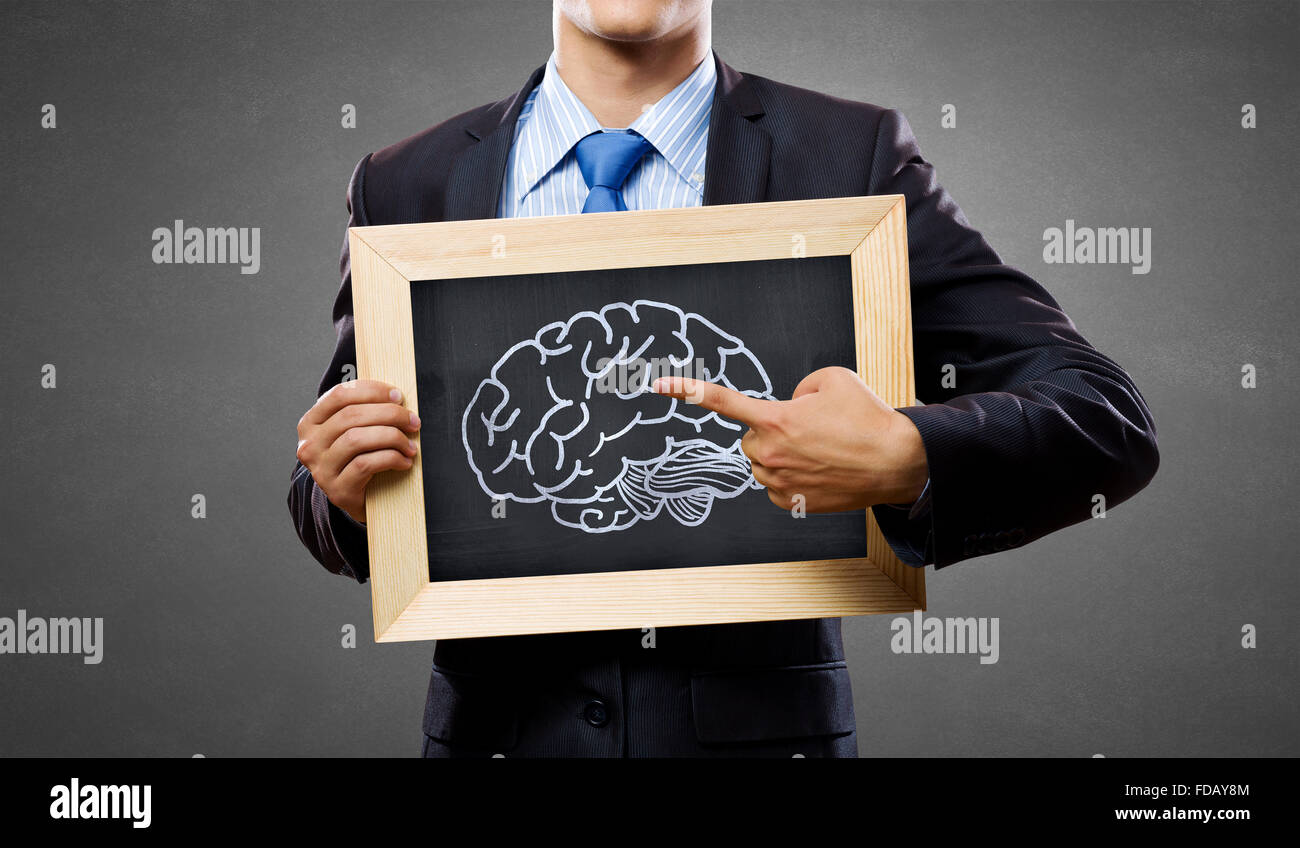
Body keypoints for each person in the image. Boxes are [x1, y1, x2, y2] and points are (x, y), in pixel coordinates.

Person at [289, 0, 1158, 757]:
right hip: (497, 739)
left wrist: (908, 457)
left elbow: (1102, 415)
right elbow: (325, 487)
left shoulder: (849, 155)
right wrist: (350, 493)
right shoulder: (406, 181)